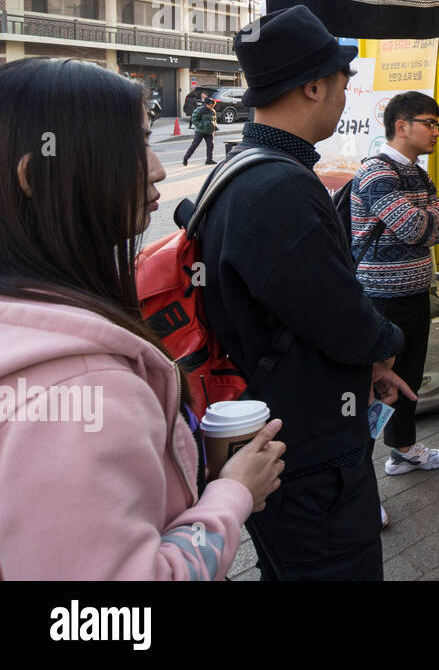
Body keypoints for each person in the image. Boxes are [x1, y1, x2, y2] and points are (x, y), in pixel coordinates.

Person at [0, 57, 285, 580]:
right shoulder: (80, 386)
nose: (156, 168)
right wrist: (232, 494)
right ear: (35, 174)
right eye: (134, 146)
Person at [197, 5, 415, 580]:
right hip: (309, 456)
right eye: (343, 81)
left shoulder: (244, 168)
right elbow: (340, 316)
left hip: (277, 437)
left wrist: (368, 364)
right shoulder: (279, 187)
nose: (347, 94)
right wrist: (385, 342)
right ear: (314, 86)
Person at [351, 90, 439, 475]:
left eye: (437, 124)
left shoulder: (419, 173)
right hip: (379, 299)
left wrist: (426, 223)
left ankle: (404, 449)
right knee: (372, 389)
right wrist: (426, 222)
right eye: (429, 123)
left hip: (414, 293)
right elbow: (415, 227)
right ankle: (357, 482)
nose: (436, 132)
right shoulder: (377, 173)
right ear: (401, 126)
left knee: (408, 378)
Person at [183, 97, 217, 166]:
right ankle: (186, 158)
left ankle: (209, 160)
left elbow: (214, 120)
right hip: (200, 131)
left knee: (210, 146)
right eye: (211, 104)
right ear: (206, 104)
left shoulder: (213, 111)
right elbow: (194, 119)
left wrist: (214, 126)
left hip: (209, 132)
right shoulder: (199, 110)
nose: (212, 106)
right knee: (194, 145)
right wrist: (201, 125)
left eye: (213, 105)